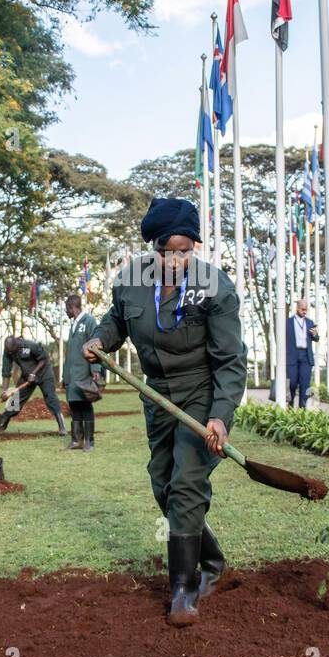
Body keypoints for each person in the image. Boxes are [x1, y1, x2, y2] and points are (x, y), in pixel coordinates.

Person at [84, 197, 246, 627]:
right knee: (162, 484)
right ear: (153, 248)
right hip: (157, 395)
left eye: (184, 250)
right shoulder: (131, 279)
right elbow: (116, 319)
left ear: (194, 247)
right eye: (165, 251)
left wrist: (220, 415)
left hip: (201, 393)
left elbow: (231, 360)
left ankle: (183, 590)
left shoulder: (216, 287)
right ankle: (211, 558)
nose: (175, 260)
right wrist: (101, 340)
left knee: (187, 482)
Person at [0, 336, 67, 436]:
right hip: (26, 376)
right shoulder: (8, 352)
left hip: (44, 374)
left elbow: (44, 359)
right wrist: (5, 391)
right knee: (16, 400)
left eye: (12, 351)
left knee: (51, 397)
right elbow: (6, 373)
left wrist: (33, 373)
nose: (11, 354)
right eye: (9, 352)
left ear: (17, 345)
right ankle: (3, 421)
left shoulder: (29, 345)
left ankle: (62, 427)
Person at [63, 294, 102, 451]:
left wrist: (96, 369)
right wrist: (65, 375)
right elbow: (70, 352)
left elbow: (95, 346)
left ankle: (89, 442)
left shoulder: (89, 321)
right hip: (71, 375)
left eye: (67, 308)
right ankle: (76, 440)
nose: (66, 312)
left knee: (85, 404)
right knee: (74, 405)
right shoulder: (73, 324)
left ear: (73, 307)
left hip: (84, 372)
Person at [286, 298, 319, 409]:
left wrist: (315, 334)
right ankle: (290, 404)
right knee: (292, 383)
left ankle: (302, 410)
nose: (304, 312)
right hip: (292, 355)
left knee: (305, 385)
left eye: (306, 310)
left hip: (306, 356)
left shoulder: (310, 322)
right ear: (297, 308)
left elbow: (316, 338)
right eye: (302, 309)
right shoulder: (288, 322)